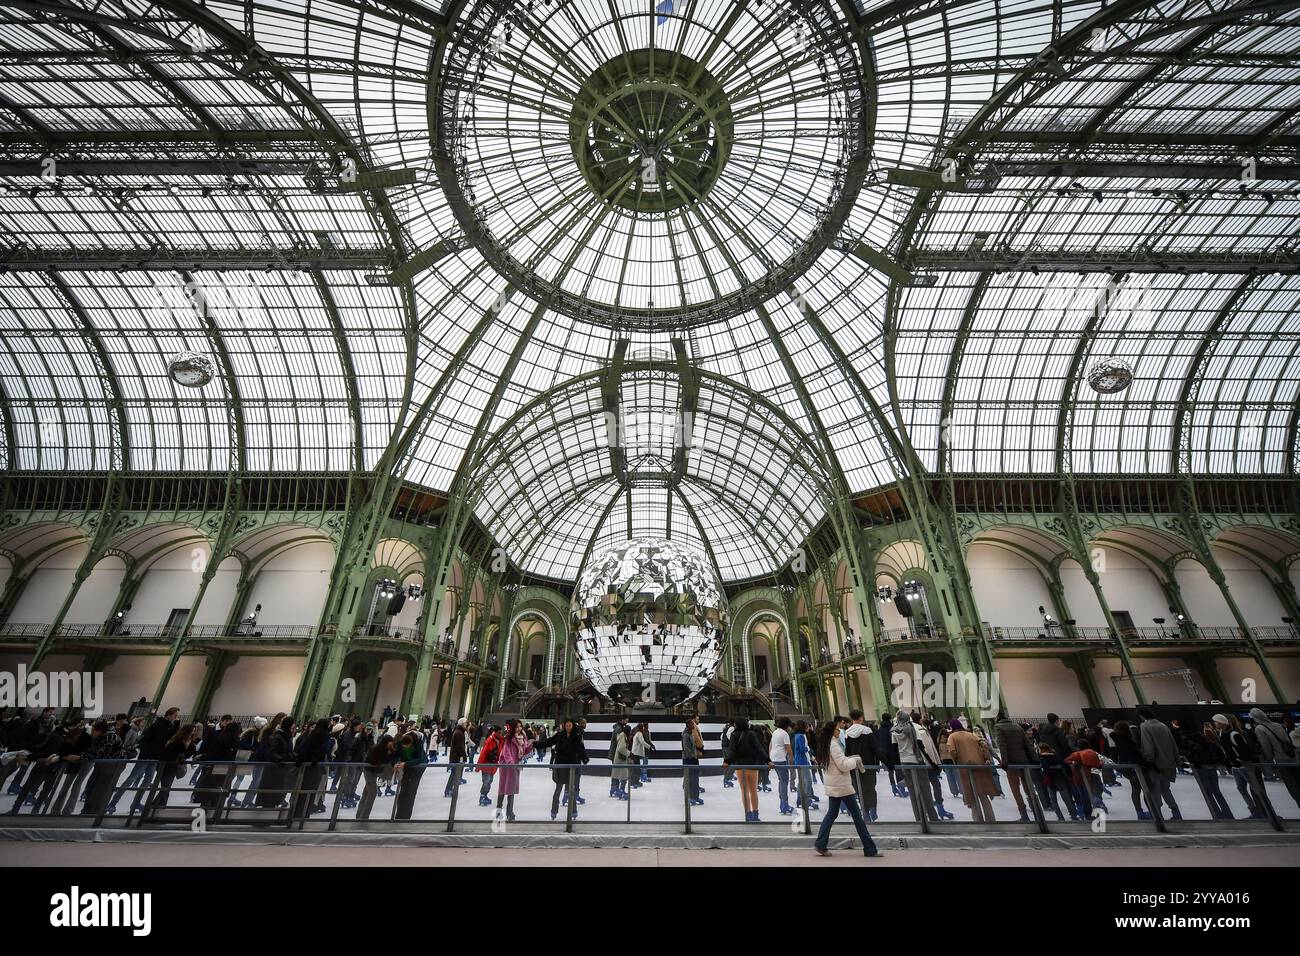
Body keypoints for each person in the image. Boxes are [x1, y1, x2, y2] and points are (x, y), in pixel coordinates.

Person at [812, 718, 881, 859]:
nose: (840, 731)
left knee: (832, 814)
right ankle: (869, 849)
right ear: (833, 731)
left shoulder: (826, 745)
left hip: (834, 784)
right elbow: (843, 765)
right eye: (838, 729)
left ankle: (821, 843)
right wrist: (855, 760)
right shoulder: (834, 745)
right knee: (857, 817)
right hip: (842, 785)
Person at [891, 710, 950, 820]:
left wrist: (896, 767)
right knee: (925, 790)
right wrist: (932, 762)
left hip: (904, 763)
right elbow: (920, 746)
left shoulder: (894, 730)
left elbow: (894, 749)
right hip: (917, 761)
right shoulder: (912, 728)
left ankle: (919, 818)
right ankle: (933, 817)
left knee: (913, 792)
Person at [1213, 714, 1264, 819]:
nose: (1214, 723)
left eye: (1216, 721)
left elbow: (1244, 750)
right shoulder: (1222, 734)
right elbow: (1227, 751)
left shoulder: (1233, 734)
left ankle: (1266, 811)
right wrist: (1229, 762)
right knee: (1241, 788)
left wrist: (1239, 760)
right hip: (1236, 767)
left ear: (1222, 722)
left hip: (1244, 766)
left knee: (1256, 789)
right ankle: (1254, 810)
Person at [1249, 706, 1300, 810]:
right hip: (1292, 758)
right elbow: (1288, 741)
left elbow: (1266, 747)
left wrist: (1269, 761)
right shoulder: (1277, 725)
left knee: (1293, 787)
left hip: (1281, 760)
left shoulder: (1260, 728)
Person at [947, 718, 997, 822]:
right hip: (979, 766)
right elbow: (983, 744)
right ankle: (991, 819)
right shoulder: (970, 734)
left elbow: (952, 751)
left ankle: (977, 819)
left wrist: (957, 760)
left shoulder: (952, 736)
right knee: (983, 794)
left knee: (972, 795)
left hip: (965, 768)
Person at [1136, 707, 1182, 820]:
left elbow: (1148, 746)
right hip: (1169, 763)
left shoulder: (1144, 726)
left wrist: (1149, 762)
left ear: (1142, 716)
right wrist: (1176, 760)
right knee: (1166, 789)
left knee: (1155, 791)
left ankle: (1158, 816)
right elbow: (1173, 744)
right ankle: (1176, 812)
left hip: (1155, 765)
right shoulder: (1163, 725)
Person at [536, 718, 587, 820]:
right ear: (564, 726)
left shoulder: (576, 736)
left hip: (570, 767)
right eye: (567, 725)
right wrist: (536, 744)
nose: (568, 727)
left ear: (572, 726)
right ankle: (554, 811)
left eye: (570, 725)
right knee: (558, 789)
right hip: (560, 766)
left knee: (571, 790)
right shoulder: (560, 735)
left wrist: (584, 759)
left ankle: (573, 812)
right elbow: (549, 742)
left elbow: (580, 748)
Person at [722, 716, 770, 822]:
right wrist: (768, 760)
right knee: (753, 791)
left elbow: (732, 750)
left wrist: (727, 761)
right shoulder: (751, 733)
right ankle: (755, 814)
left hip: (740, 766)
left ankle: (747, 814)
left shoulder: (734, 735)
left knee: (744, 791)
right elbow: (759, 748)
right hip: (752, 765)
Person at [1182, 723, 1231, 819]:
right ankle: (1227, 813)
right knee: (1216, 791)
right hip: (1211, 767)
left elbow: (1191, 753)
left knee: (1208, 793)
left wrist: (1194, 761)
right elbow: (1218, 750)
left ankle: (1216, 813)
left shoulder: (1192, 739)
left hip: (1202, 769)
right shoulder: (1207, 740)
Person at [993, 712, 1034, 822]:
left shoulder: (998, 727)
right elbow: (1027, 743)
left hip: (1011, 763)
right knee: (1028, 787)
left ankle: (1024, 813)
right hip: (1023, 760)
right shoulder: (1017, 726)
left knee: (1015, 788)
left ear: (997, 718)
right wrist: (1034, 759)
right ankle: (1035, 808)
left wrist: (1004, 762)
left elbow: (1003, 745)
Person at [842, 711, 879, 821]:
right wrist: (880, 762)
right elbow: (875, 748)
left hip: (854, 766)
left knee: (860, 790)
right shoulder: (867, 730)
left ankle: (865, 813)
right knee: (871, 788)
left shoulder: (847, 732)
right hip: (868, 764)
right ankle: (873, 809)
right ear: (861, 718)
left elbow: (847, 752)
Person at [494, 719, 533, 822]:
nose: (519, 729)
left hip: (515, 766)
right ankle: (499, 812)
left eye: (520, 726)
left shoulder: (523, 737)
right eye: (517, 727)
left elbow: (524, 750)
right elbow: (506, 752)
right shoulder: (509, 738)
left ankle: (509, 812)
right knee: (502, 788)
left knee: (511, 790)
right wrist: (511, 762)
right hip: (507, 766)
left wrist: (531, 745)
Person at [256, 717, 296, 810]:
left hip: (281, 770)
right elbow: (272, 751)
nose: (295, 725)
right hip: (273, 770)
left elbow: (289, 752)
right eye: (293, 723)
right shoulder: (278, 736)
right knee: (270, 794)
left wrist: (296, 758)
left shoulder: (288, 736)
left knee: (276, 793)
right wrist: (279, 759)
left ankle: (270, 810)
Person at [356, 734, 394, 820]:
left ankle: (359, 816)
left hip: (374, 771)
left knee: (366, 793)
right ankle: (364, 817)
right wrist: (387, 756)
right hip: (369, 771)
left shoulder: (387, 749)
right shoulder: (376, 749)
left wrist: (390, 754)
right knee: (372, 793)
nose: (391, 745)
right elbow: (375, 761)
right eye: (390, 743)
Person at [393, 730, 428, 819]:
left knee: (410, 792)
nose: (405, 749)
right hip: (407, 767)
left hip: (417, 769)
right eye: (404, 747)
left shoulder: (419, 743)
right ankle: (399, 815)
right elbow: (397, 754)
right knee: (403, 792)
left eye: (407, 747)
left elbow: (420, 759)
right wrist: (396, 762)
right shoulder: (402, 741)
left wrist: (405, 763)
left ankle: (406, 816)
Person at [791, 719, 819, 813]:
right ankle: (807, 800)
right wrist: (808, 748)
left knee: (801, 781)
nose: (808, 728)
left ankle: (800, 800)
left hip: (800, 760)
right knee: (808, 780)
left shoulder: (797, 736)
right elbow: (803, 749)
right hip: (803, 761)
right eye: (807, 726)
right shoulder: (801, 736)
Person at [769, 716, 795, 816]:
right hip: (781, 759)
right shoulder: (785, 734)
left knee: (781, 781)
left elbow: (770, 745)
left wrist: (770, 758)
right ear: (786, 725)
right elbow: (789, 749)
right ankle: (785, 805)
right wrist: (792, 761)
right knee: (784, 781)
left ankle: (782, 804)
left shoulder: (775, 732)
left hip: (774, 758)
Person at [475, 725, 502, 807]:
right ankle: (482, 796)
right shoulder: (490, 740)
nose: (500, 734)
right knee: (486, 781)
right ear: (495, 732)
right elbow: (483, 753)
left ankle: (485, 795)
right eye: (499, 733)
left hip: (493, 765)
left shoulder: (500, 740)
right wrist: (478, 766)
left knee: (490, 781)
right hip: (486, 764)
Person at [681, 716, 704, 806]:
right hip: (688, 760)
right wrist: (693, 756)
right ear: (688, 725)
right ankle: (689, 797)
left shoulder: (690, 733)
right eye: (691, 723)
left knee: (695, 779)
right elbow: (686, 749)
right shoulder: (685, 734)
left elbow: (693, 746)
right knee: (690, 779)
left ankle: (695, 796)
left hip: (693, 759)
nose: (693, 725)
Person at [444, 717, 469, 796]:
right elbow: (459, 747)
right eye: (465, 723)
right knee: (454, 774)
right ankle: (448, 789)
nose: (466, 725)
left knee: (454, 774)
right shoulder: (459, 733)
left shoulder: (459, 732)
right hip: (457, 757)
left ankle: (449, 789)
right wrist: (464, 756)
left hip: (456, 756)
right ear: (462, 724)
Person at [611, 725, 633, 801]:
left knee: (621, 775)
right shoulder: (623, 737)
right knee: (624, 775)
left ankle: (616, 789)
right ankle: (621, 791)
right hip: (620, 760)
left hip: (620, 759)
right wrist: (629, 753)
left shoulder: (623, 736)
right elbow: (621, 748)